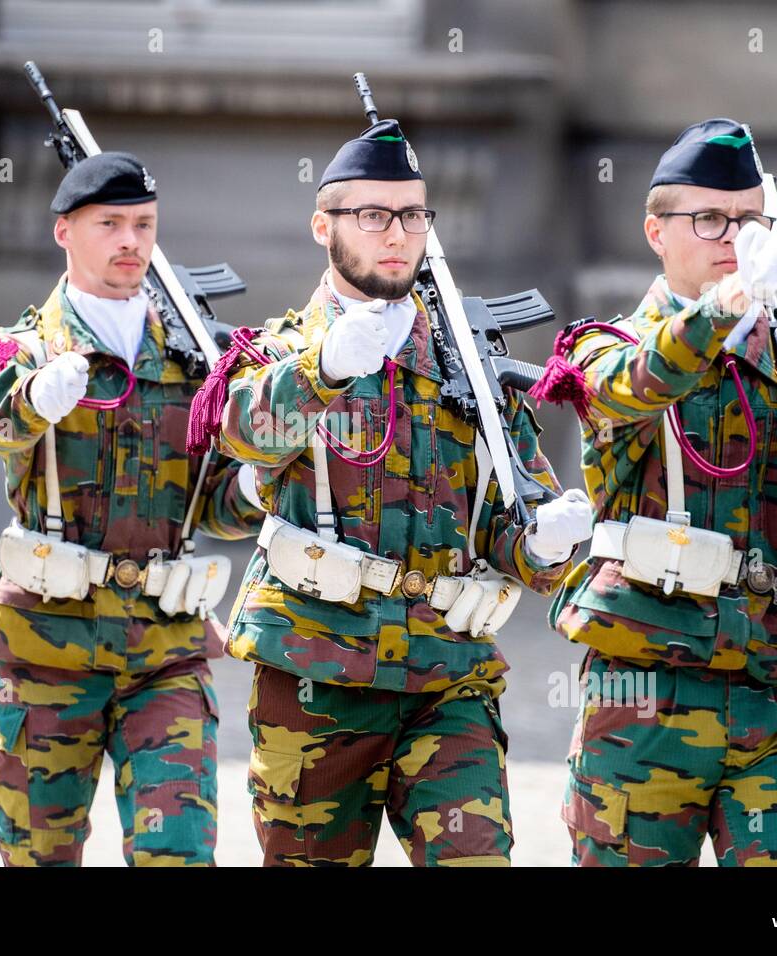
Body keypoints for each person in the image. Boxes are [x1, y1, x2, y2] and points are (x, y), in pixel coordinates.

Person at [190, 119, 594, 866]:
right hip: (316, 674)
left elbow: (516, 528)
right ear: (324, 226)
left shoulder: (467, 364)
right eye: (373, 215)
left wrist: (542, 543)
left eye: (413, 214)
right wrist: (326, 370)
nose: (397, 233)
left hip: (448, 677)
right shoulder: (283, 352)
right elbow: (240, 434)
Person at [535, 119, 777, 866]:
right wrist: (729, 304)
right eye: (710, 219)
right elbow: (628, 391)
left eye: (751, 220)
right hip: (644, 691)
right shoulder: (607, 348)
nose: (734, 236)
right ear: (655, 231)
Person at [0, 151, 264, 866]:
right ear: (64, 232)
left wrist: (247, 493)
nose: (130, 242)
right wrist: (30, 399)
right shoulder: (24, 350)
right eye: (110, 223)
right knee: (40, 854)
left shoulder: (195, 360)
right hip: (46, 653)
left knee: (178, 853)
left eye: (144, 224)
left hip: (166, 653)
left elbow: (209, 506)